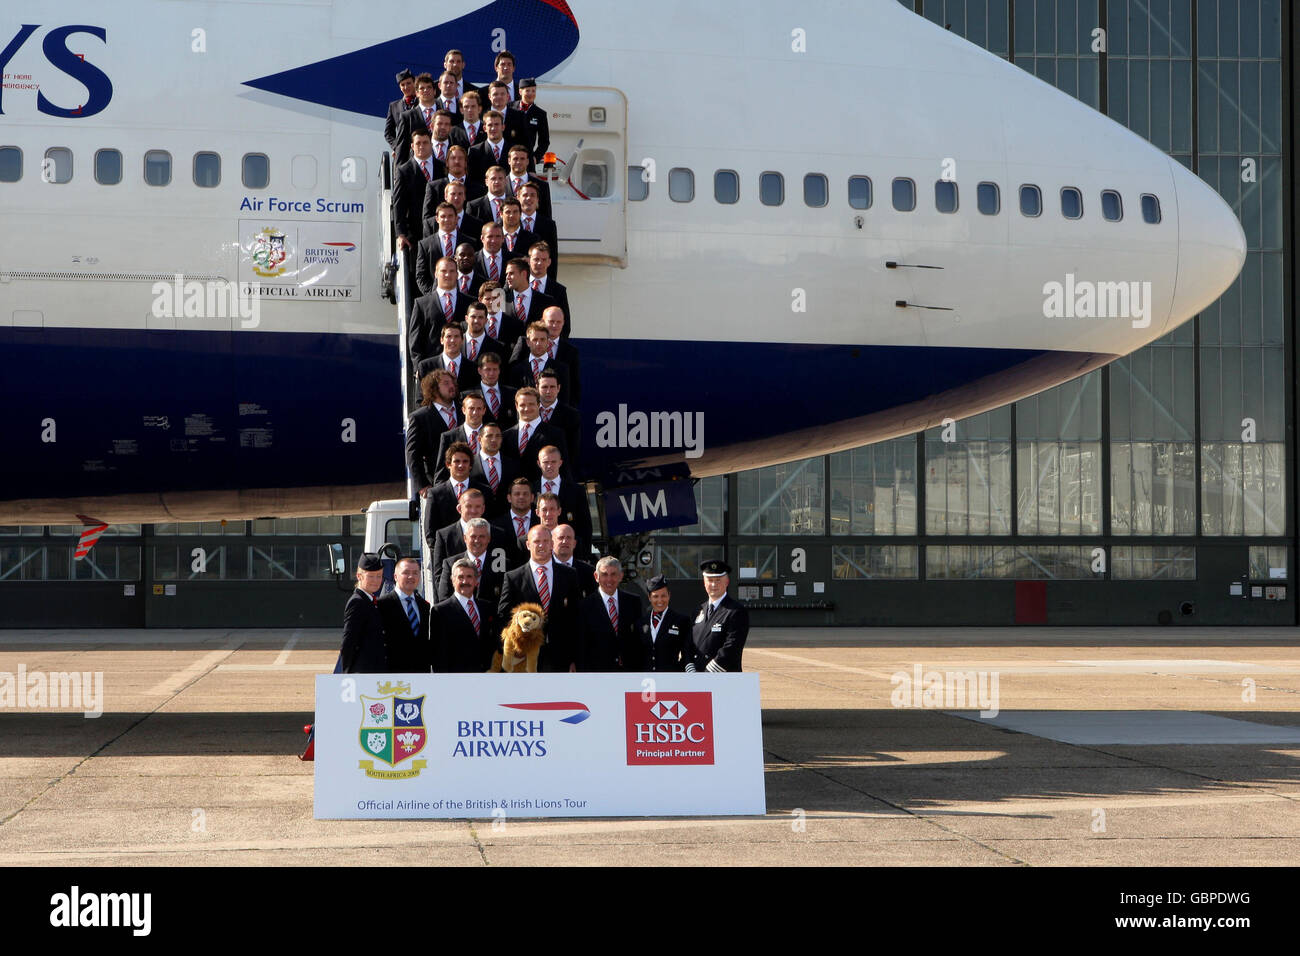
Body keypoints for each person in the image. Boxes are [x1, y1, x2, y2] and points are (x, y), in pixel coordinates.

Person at [498, 524, 581, 672]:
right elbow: (504, 616)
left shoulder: (569, 575)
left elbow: (576, 619)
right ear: (528, 545)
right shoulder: (513, 578)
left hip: (561, 658)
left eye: (546, 541)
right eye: (536, 541)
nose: (541, 545)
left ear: (552, 544)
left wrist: (574, 659)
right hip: (525, 657)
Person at [577, 557, 642, 671]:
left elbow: (638, 639)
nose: (609, 579)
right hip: (597, 674)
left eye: (613, 574)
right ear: (596, 577)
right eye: (604, 574)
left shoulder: (633, 602)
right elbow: (581, 644)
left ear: (620, 576)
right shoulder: (585, 606)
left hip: (628, 672)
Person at [432, 557, 495, 672]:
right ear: (452, 580)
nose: (465, 581)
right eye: (460, 577)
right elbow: (439, 653)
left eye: (469, 577)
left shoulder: (487, 608)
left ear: (476, 581)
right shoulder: (440, 611)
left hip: (487, 677)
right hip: (457, 680)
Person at [405, 369, 460, 499]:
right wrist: (422, 485)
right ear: (434, 389)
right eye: (446, 383)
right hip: (437, 483)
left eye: (452, 383)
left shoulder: (465, 410)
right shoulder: (419, 417)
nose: (452, 386)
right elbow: (413, 454)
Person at [687, 560, 750, 672]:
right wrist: (690, 668)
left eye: (718, 580)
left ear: (727, 582)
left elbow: (732, 647)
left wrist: (709, 673)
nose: (713, 585)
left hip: (722, 678)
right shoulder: (697, 611)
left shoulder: (736, 611)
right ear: (704, 583)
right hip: (697, 677)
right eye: (710, 580)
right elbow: (688, 644)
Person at [436, 518, 507, 615]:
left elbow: (505, 599)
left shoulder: (502, 564)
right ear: (465, 538)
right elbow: (444, 598)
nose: (477, 541)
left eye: (482, 536)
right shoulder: (450, 564)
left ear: (489, 538)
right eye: (473, 536)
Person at [376, 555, 431, 672]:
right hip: (393, 677)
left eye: (415, 573)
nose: (411, 576)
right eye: (406, 572)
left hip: (421, 676)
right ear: (395, 576)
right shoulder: (382, 605)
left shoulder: (425, 606)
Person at [503, 386, 568, 481]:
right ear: (516, 406)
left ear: (538, 405)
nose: (526, 408)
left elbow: (564, 469)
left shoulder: (555, 434)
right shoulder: (506, 436)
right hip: (515, 493)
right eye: (522, 405)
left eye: (531, 404)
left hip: (543, 492)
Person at [426, 442, 493, 530]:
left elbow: (491, 522)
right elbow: (430, 530)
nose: (461, 465)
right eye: (456, 461)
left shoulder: (485, 491)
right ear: (448, 464)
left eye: (465, 461)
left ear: (470, 465)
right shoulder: (435, 494)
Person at [630, 575, 691, 671]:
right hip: (645, 681)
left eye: (663, 596)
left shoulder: (681, 621)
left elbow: (686, 653)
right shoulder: (641, 623)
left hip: (671, 680)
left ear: (669, 596)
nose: (660, 600)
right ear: (649, 597)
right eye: (655, 596)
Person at [339, 553, 388, 673]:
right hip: (363, 673)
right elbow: (348, 642)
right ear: (359, 576)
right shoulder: (357, 602)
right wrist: (346, 673)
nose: (376, 581)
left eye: (379, 576)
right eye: (371, 576)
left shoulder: (370, 600)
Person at [534, 444, 588, 547]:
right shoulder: (530, 490)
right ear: (539, 463)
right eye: (545, 462)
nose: (549, 466)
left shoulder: (576, 490)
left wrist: (584, 554)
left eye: (553, 462)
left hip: (567, 549)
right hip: (538, 547)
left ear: (560, 463)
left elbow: (585, 525)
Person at [416, 208, 476, 296]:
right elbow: (421, 275)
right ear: (437, 219)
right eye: (443, 216)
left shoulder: (470, 242)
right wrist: (434, 295)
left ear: (456, 218)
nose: (446, 219)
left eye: (450, 216)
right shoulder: (425, 245)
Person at [435, 390, 488, 479]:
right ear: (463, 410)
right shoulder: (448, 437)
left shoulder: (494, 435)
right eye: (471, 408)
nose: (475, 412)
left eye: (479, 409)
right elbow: (441, 473)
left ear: (484, 411)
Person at [510, 321, 570, 396]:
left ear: (548, 342)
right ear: (528, 342)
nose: (538, 343)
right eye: (535, 340)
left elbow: (564, 400)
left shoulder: (561, 369)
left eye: (542, 339)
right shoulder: (517, 370)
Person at [470, 421, 519, 511]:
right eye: (489, 436)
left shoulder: (512, 464)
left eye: (497, 436)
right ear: (479, 439)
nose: (494, 440)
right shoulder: (470, 463)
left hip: (504, 516)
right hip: (478, 514)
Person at [416, 320, 478, 390]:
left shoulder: (473, 368)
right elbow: (420, 399)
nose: (452, 340)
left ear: (462, 340)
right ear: (441, 340)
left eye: (456, 336)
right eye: (449, 336)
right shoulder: (426, 367)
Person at [394, 72, 439, 166]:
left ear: (435, 91)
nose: (426, 90)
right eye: (422, 88)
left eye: (429, 87)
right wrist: (398, 174)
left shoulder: (445, 114)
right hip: (416, 169)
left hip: (440, 169)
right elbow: (402, 147)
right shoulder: (407, 117)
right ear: (417, 93)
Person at [517, 184, 558, 280]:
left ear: (537, 199)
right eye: (525, 195)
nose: (529, 198)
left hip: (539, 279)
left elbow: (553, 256)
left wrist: (551, 282)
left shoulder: (549, 225)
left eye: (532, 195)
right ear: (518, 198)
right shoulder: (511, 222)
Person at [528, 246, 570, 337]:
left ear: (549, 262)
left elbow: (565, 326)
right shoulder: (520, 285)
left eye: (544, 259)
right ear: (529, 260)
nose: (540, 263)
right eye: (536, 259)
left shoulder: (559, 290)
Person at [502, 259, 554, 328]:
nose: (507, 277)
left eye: (511, 273)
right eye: (506, 274)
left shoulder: (546, 301)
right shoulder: (502, 301)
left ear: (523, 274)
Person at [512, 78, 550, 171]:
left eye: (533, 91)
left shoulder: (540, 114)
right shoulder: (510, 108)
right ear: (520, 92)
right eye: (527, 90)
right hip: (510, 157)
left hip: (527, 159)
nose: (531, 94)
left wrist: (535, 158)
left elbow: (544, 141)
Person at [506, 144, 552, 219]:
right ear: (509, 161)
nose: (518, 162)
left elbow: (546, 216)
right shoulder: (500, 184)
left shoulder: (542, 186)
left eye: (522, 159)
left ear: (527, 161)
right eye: (515, 159)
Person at [475, 350, 517, 426]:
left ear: (499, 371)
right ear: (479, 371)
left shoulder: (512, 393)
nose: (491, 373)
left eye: (495, 369)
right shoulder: (470, 395)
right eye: (487, 369)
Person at [551, 523, 595, 596]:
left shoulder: (588, 571)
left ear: (574, 544)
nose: (565, 541)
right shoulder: (544, 570)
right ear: (552, 543)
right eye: (561, 538)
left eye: (569, 538)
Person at [468, 115, 510, 183]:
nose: (493, 128)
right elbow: (472, 179)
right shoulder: (474, 151)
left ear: (503, 127)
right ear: (484, 128)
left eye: (496, 124)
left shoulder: (513, 150)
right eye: (490, 125)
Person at [384, 69, 417, 152]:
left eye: (409, 83)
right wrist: (397, 147)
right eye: (402, 85)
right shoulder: (394, 106)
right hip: (403, 153)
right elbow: (388, 133)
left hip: (421, 150)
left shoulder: (422, 102)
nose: (406, 87)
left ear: (414, 83)